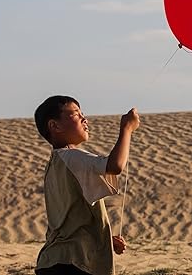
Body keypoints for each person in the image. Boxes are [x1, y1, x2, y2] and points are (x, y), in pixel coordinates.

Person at [33, 95, 140, 275]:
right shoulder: (71, 157)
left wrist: (104, 239)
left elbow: (72, 219)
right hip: (72, 263)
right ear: (54, 126)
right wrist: (127, 129)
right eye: (75, 114)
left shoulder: (55, 163)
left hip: (53, 260)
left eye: (83, 113)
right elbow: (115, 166)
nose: (85, 118)